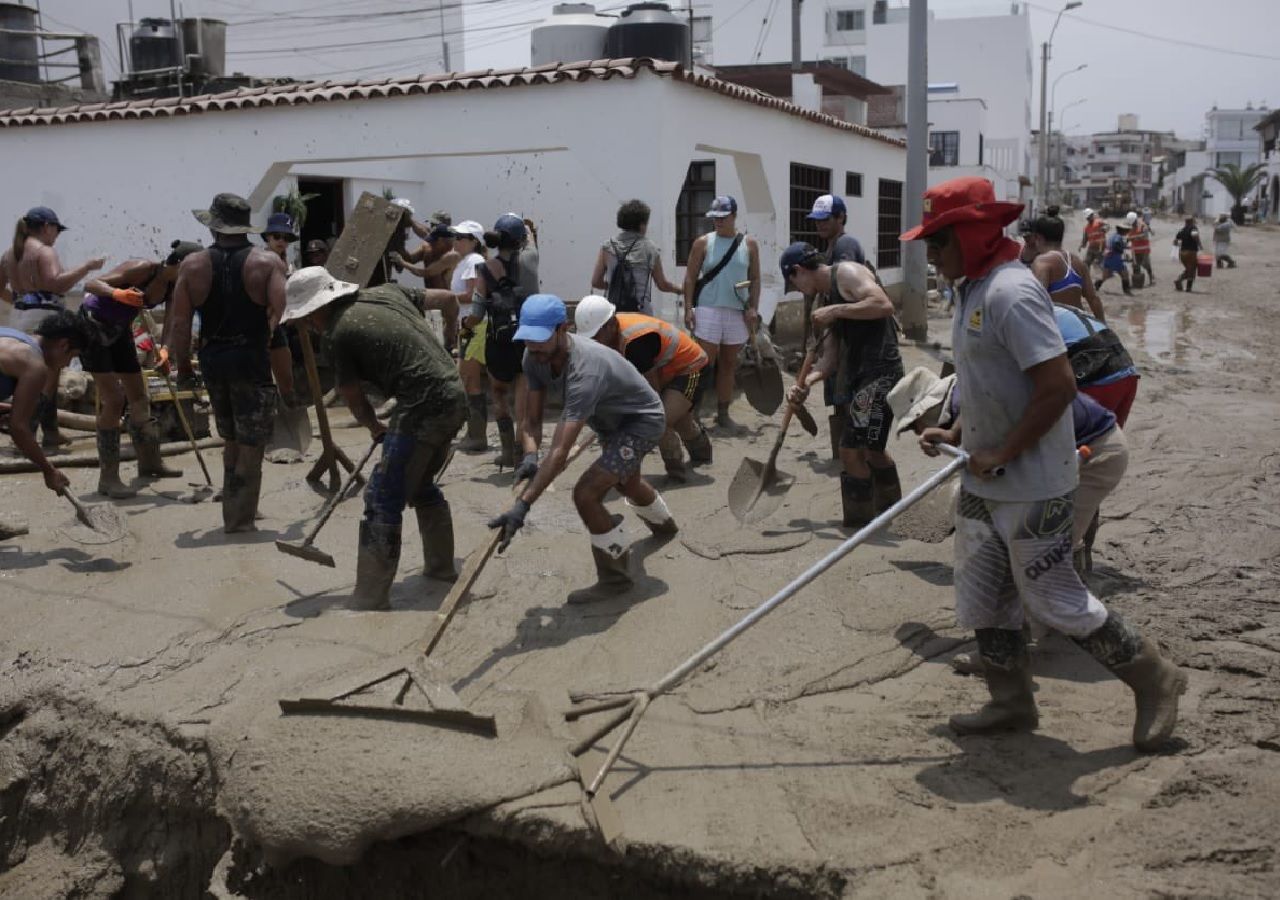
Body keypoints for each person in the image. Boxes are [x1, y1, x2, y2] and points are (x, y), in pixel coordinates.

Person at [900, 174, 1185, 752]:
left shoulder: (1012, 292)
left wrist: (1002, 451)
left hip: (1035, 481)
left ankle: (1156, 677)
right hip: (986, 477)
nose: (930, 254)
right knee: (983, 595)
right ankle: (1010, 701)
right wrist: (954, 429)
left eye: (938, 240)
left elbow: (1056, 386)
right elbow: (989, 384)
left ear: (976, 234)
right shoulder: (972, 291)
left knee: (1053, 598)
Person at [282, 267, 466, 611]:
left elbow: (352, 397)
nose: (307, 325)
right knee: (421, 483)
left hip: (422, 405)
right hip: (454, 396)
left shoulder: (337, 334)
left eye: (306, 317)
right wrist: (450, 342)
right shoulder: (388, 293)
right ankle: (441, 570)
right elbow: (448, 299)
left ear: (319, 307)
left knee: (382, 495)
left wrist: (374, 428)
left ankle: (369, 596)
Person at [488, 295, 677, 603]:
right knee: (627, 482)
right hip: (609, 422)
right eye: (528, 340)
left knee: (586, 493)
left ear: (563, 329)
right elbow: (530, 421)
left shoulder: (584, 370)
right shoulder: (534, 358)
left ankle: (615, 579)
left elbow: (561, 452)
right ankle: (665, 525)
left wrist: (523, 505)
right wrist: (530, 454)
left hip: (640, 420)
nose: (533, 348)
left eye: (540, 340)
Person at [169, 193, 286, 533]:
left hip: (213, 360)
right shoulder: (267, 263)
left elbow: (178, 324)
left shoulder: (191, 265)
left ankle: (234, 510)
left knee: (231, 438)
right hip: (250, 358)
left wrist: (185, 369)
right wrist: (267, 340)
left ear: (213, 226)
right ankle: (241, 519)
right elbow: (283, 313)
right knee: (252, 442)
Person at [780, 242, 903, 526]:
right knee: (872, 449)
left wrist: (836, 311)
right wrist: (808, 381)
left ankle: (860, 524)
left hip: (882, 371)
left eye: (793, 284)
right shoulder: (825, 301)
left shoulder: (846, 273)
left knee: (849, 450)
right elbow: (830, 360)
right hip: (863, 376)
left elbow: (883, 305)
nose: (798, 291)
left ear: (798, 271)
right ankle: (892, 509)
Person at [80, 240, 202, 497]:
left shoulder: (173, 286)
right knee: (114, 399)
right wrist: (116, 293)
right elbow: (90, 285)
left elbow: (171, 322)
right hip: (93, 326)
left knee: (139, 397)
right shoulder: (142, 268)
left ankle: (150, 463)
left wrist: (165, 350)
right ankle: (108, 478)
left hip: (120, 329)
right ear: (178, 263)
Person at [574, 295, 712, 481]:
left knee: (658, 420)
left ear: (610, 325)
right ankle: (702, 454)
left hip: (691, 367)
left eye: (595, 336)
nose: (593, 342)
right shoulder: (609, 338)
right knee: (679, 419)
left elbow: (651, 395)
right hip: (665, 369)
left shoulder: (635, 341)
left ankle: (676, 470)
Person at [0, 206, 105, 448]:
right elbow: (55, 284)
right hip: (44, 316)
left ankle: (50, 431)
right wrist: (87, 267)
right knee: (45, 378)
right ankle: (29, 436)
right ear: (46, 227)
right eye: (56, 229)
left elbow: (0, 288)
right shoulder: (45, 252)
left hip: (20, 315)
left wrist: (20, 301)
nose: (57, 235)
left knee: (29, 375)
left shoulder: (9, 253)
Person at [465, 214, 540, 468]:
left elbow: (476, 314)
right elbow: (530, 241)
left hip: (498, 341)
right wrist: (528, 227)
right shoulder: (531, 258)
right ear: (520, 240)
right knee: (523, 398)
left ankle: (507, 451)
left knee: (498, 392)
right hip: (526, 339)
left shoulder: (483, 270)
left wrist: (465, 328)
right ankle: (520, 451)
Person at [683, 196, 760, 431]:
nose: (718, 221)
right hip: (708, 309)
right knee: (703, 364)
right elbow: (690, 277)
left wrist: (754, 308)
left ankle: (723, 413)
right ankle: (692, 413)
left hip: (737, 311)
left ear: (734, 216)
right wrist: (688, 308)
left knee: (728, 364)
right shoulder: (702, 243)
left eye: (723, 217)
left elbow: (755, 278)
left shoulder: (749, 244)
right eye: (715, 217)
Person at [0, 311, 90, 496]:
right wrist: (49, 470)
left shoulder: (10, 335)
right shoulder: (34, 366)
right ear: (63, 345)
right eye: (72, 357)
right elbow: (18, 428)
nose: (66, 365)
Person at [806, 193, 868, 460]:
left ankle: (853, 452)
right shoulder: (830, 247)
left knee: (848, 396)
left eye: (826, 219)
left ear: (841, 218)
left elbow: (843, 292)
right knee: (838, 395)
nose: (820, 225)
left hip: (850, 335)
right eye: (816, 220)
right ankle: (843, 452)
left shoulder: (845, 245)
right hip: (839, 333)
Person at [589, 199, 681, 316]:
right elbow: (662, 284)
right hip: (641, 313)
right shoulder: (650, 248)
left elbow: (595, 282)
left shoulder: (607, 247)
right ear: (642, 225)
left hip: (613, 313)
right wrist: (680, 289)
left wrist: (613, 286)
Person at [1054, 303, 1139, 427]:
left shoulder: (1031, 316)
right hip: (1127, 371)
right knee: (1109, 440)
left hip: (1099, 379)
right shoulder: (1063, 308)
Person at [449, 220, 491, 452]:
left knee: (470, 378)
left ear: (474, 241)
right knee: (466, 377)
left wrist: (445, 297)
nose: (456, 240)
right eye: (456, 236)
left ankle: (477, 435)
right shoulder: (465, 261)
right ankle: (473, 432)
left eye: (461, 237)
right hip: (467, 325)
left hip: (473, 325)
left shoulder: (474, 261)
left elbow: (474, 295)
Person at [1024, 211, 1107, 320]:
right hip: (1080, 325)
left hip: (1058, 328)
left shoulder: (1042, 262)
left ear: (1038, 237)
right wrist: (1103, 326)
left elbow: (1037, 302)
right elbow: (1093, 299)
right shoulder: (1078, 262)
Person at [262, 212, 301, 406]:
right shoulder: (258, 261)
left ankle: (290, 409)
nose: (281, 241)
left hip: (277, 324)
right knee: (261, 378)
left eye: (286, 238)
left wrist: (273, 323)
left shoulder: (288, 265)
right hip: (257, 323)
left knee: (286, 379)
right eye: (277, 236)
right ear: (268, 238)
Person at [1094, 224, 1133, 296]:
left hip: (1107, 258)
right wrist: (1121, 250)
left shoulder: (1112, 235)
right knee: (1125, 274)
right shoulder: (1118, 237)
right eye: (1126, 231)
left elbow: (1115, 244)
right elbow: (1116, 244)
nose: (1127, 232)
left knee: (1106, 276)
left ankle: (1096, 285)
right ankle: (1126, 290)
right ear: (1122, 231)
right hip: (1115, 258)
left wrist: (1125, 246)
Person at [1126, 210, 1155, 286]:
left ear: (1136, 220)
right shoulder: (1130, 227)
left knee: (1146, 265)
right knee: (1135, 265)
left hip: (1144, 250)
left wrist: (1133, 237)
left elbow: (1144, 235)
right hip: (1135, 250)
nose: (1133, 225)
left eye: (1134, 223)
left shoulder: (1142, 225)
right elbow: (1128, 237)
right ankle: (1137, 282)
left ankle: (1151, 278)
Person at [1173, 216, 1201, 292]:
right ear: (1192, 222)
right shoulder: (1193, 228)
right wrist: (1200, 245)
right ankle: (1187, 286)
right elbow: (1195, 236)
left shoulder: (1182, 230)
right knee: (1192, 270)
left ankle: (1180, 279)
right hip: (1191, 252)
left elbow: (1175, 241)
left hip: (1182, 253)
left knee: (1189, 269)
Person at [1079, 209, 1106, 275]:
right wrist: (1081, 245)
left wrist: (1104, 228)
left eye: (1089, 217)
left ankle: (1104, 276)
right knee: (1086, 262)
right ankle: (1086, 277)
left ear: (1092, 215)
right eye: (1087, 218)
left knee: (1100, 264)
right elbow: (1085, 239)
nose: (1088, 219)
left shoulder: (1099, 222)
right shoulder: (1086, 228)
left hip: (1100, 247)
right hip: (1091, 248)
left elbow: (1107, 226)